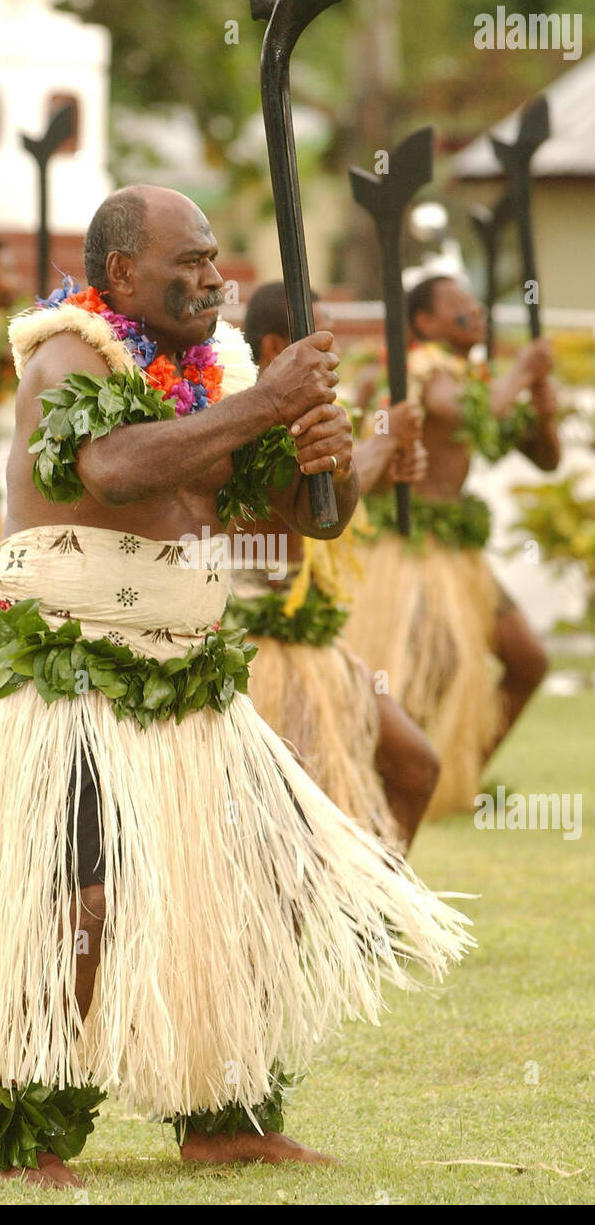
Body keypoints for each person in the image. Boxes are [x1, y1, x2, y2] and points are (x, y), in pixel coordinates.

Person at [0, 186, 471, 1187]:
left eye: (217, 259)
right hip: (65, 668)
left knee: (256, 875)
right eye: (191, 261)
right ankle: (26, 1129)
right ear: (121, 273)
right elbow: (112, 470)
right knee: (83, 901)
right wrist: (267, 400)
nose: (214, 277)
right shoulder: (65, 356)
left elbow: (289, 517)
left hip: (183, 668)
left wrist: (323, 462)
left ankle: (223, 1110)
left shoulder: (204, 373)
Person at [228, 281, 441, 851]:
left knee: (416, 766)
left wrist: (382, 453)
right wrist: (383, 442)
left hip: (308, 636)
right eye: (321, 337)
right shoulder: (252, 413)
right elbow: (311, 510)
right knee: (294, 813)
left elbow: (333, 494)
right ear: (276, 345)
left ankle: (374, 917)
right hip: (254, 636)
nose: (335, 352)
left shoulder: (309, 411)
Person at [345, 273, 559, 818]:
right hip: (408, 545)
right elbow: (473, 412)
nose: (476, 310)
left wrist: (543, 404)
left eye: (475, 299)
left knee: (527, 661)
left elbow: (546, 457)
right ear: (425, 323)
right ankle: (381, 786)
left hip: (459, 550)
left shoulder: (474, 376)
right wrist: (523, 370)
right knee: (420, 677)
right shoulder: (423, 368)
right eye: (459, 304)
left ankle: (460, 783)